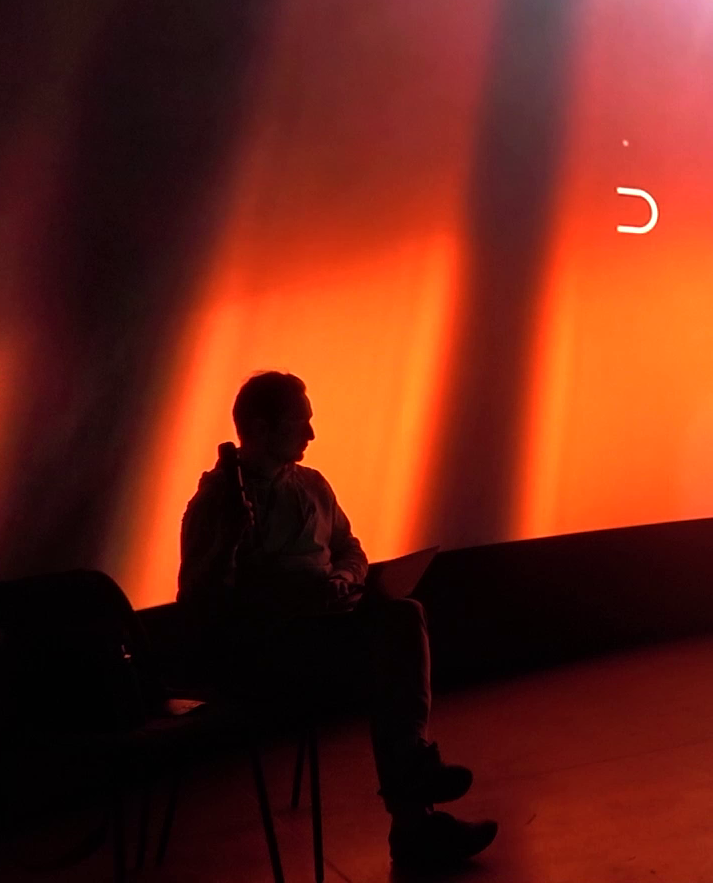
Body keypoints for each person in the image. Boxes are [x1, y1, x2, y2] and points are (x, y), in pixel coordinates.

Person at [178, 371, 497, 868]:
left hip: (322, 633)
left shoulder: (312, 485)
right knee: (393, 645)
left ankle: (412, 796)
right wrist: (232, 547)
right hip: (266, 655)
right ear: (258, 428)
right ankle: (413, 811)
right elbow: (199, 605)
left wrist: (344, 579)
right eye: (298, 422)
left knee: (402, 615)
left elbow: (349, 547)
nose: (311, 433)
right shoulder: (215, 504)